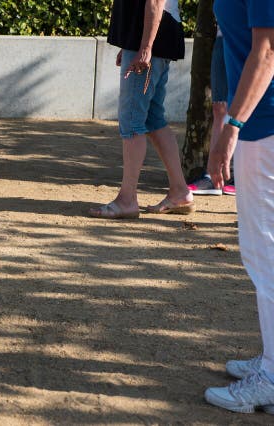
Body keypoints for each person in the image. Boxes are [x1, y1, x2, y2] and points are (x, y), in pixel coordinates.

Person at [204, 0, 274, 413]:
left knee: (263, 251)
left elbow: (267, 51)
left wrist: (232, 127)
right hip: (261, 123)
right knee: (263, 249)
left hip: (263, 125)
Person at [89, 0, 194, 219]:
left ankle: (127, 200)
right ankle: (180, 192)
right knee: (153, 120)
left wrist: (145, 47)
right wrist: (132, 45)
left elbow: (155, 2)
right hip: (153, 39)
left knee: (132, 120)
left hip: (151, 42)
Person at [187, 25, 237, 196]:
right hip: (223, 35)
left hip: (247, 37)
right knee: (219, 108)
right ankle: (212, 176)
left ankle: (238, 175)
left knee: (245, 107)